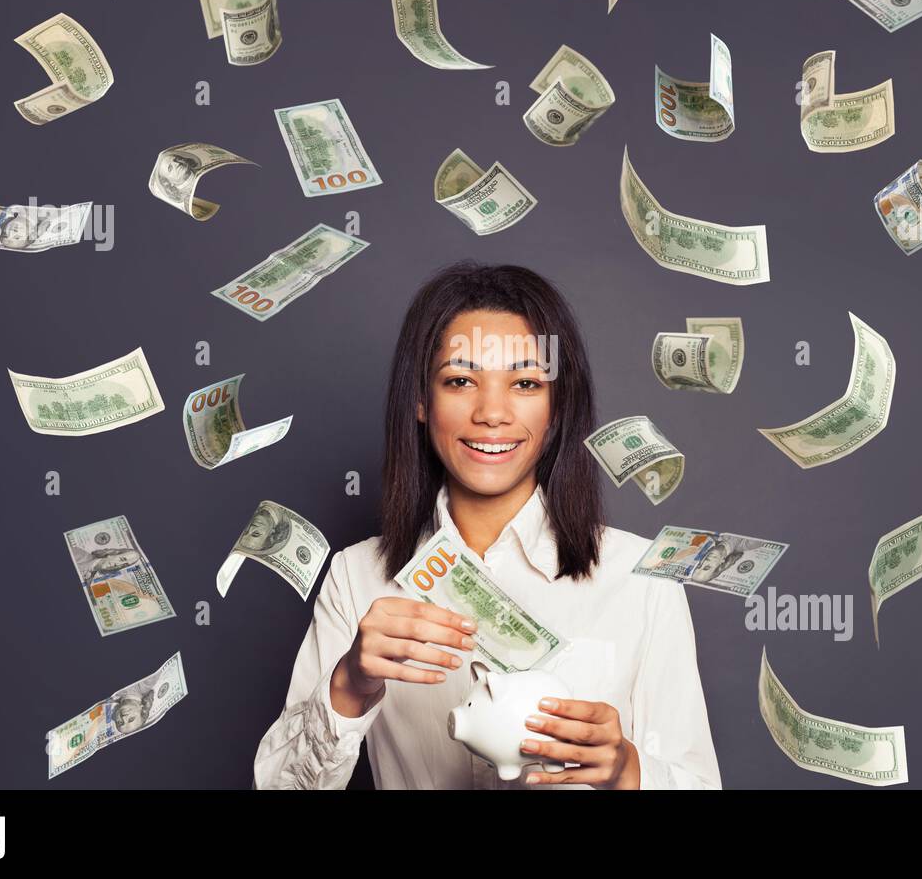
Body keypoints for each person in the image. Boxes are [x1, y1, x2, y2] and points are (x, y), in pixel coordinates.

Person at [253, 262, 721, 789]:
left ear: (558, 405)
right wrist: (349, 685)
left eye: (524, 381)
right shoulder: (355, 577)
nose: (492, 413)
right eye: (460, 380)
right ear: (421, 402)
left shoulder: (642, 580)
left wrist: (626, 773)